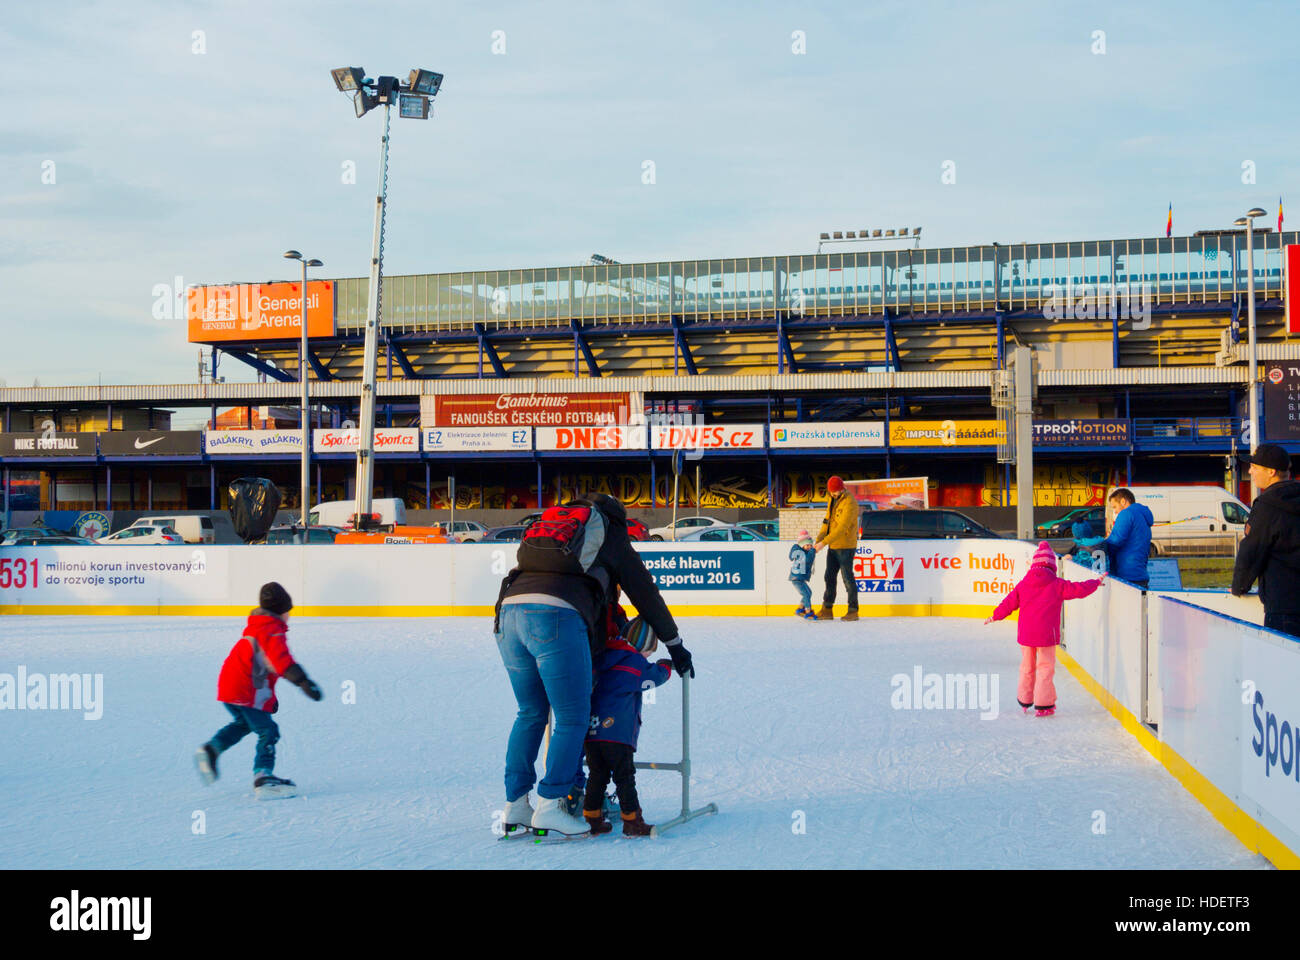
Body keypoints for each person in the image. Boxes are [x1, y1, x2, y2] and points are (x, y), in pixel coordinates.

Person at [493, 493, 691, 839]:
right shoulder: (610, 533)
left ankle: (515, 806)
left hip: (508, 612)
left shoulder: (557, 529)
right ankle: (553, 803)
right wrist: (674, 644)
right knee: (572, 716)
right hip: (555, 616)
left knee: (530, 713)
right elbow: (645, 593)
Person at [194, 582, 323, 799]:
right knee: (268, 730)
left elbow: (265, 667)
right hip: (243, 688)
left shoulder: (258, 627)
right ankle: (263, 777)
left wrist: (269, 699)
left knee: (244, 723)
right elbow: (281, 661)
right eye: (287, 612)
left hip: (230, 685)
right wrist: (303, 681)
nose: (289, 617)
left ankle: (211, 750)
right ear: (282, 611)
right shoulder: (271, 630)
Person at [984, 542, 1105, 716]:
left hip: (1026, 635)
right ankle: (1044, 705)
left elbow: (1008, 603)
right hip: (1047, 635)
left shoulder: (1024, 584)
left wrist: (995, 616)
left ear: (1034, 563)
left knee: (1027, 667)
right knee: (1045, 668)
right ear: (1052, 564)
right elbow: (1078, 589)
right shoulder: (1057, 584)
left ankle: (1025, 700)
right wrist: (1095, 582)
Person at [581, 616, 673, 836]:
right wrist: (666, 667)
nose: (648, 657)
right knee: (624, 776)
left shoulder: (604, 656)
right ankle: (632, 820)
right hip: (617, 732)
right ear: (642, 645)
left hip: (593, 732)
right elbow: (651, 678)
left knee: (597, 774)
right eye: (649, 652)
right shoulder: (632, 661)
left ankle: (592, 818)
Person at [1232, 444, 1300, 637]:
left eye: (1255, 466)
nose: (1250, 471)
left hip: (1283, 606)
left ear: (1271, 472)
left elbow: (1252, 550)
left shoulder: (1267, 505)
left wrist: (1239, 586)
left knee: (1283, 664)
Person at [1078, 488, 1152, 588]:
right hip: (1140, 573)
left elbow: (1116, 540)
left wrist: (1099, 546)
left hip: (1126, 573)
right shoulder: (1142, 516)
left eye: (1115, 507)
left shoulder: (1126, 514)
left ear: (1123, 501)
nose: (1115, 511)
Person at [814, 475, 860, 621]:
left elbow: (842, 528)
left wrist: (823, 543)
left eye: (837, 491)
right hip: (833, 545)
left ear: (842, 489)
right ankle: (827, 609)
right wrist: (819, 539)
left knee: (847, 578)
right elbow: (827, 521)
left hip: (846, 546)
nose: (835, 494)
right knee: (829, 576)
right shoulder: (831, 499)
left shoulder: (850, 502)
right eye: (833, 492)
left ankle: (853, 610)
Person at [789, 529, 818, 620]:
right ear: (802, 545)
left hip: (799, 578)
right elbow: (808, 560)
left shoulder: (800, 551)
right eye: (807, 545)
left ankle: (800, 608)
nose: (809, 547)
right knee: (806, 594)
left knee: (809, 593)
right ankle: (808, 611)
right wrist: (812, 551)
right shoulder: (803, 553)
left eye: (810, 545)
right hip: (797, 579)